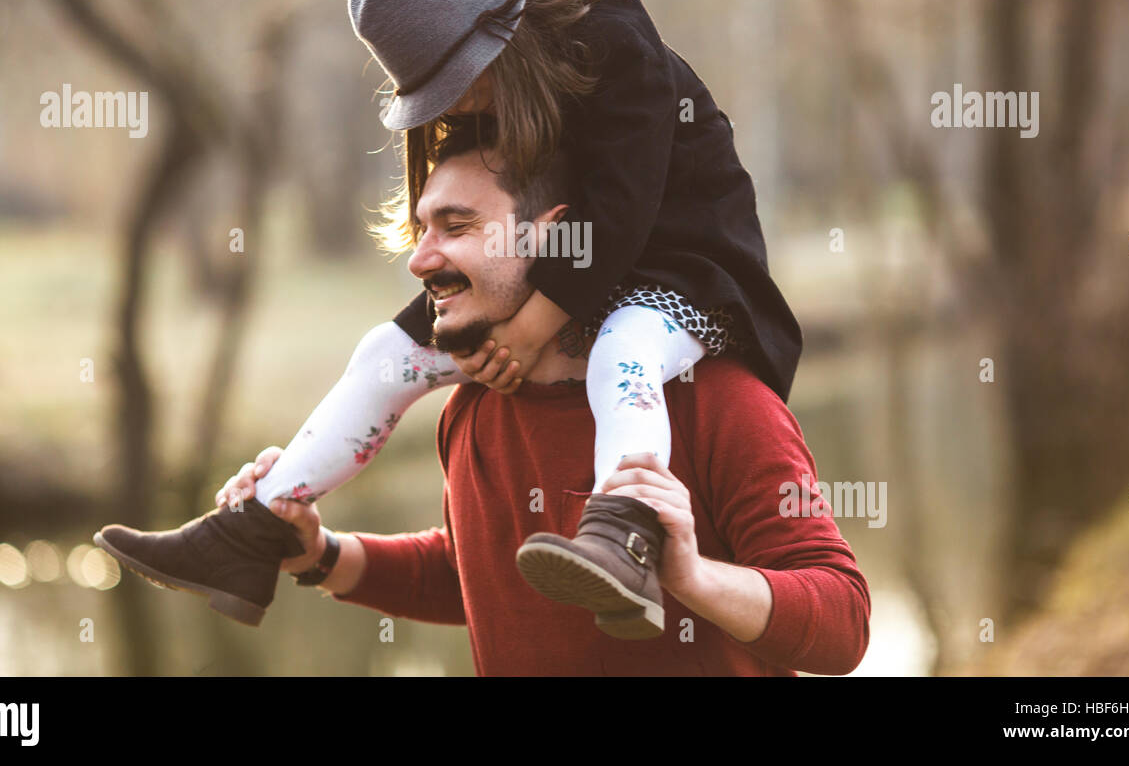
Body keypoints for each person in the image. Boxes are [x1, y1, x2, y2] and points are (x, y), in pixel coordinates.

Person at [94, 0, 803, 637]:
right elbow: (470, 574)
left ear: (500, 35)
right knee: (385, 354)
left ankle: (627, 532)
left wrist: (527, 331)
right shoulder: (495, 95)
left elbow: (621, 208)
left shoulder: (610, 42)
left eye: (457, 85)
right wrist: (326, 557)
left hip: (684, 268)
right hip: (556, 261)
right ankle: (254, 528)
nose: (453, 109)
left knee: (622, 354)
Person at [212, 133, 870, 675]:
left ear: (552, 241)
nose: (420, 260)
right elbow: (475, 575)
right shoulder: (473, 409)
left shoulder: (719, 402)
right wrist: (319, 553)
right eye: (421, 228)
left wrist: (692, 578)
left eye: (457, 225)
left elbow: (844, 621)